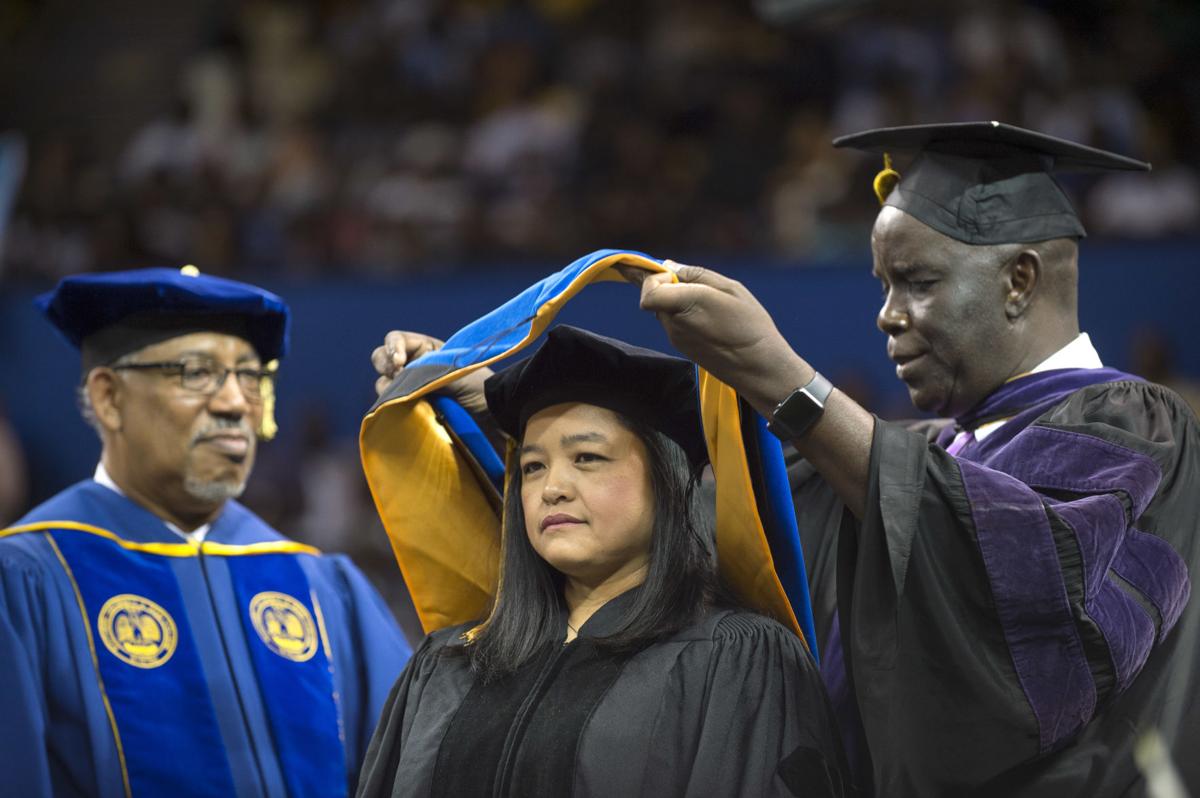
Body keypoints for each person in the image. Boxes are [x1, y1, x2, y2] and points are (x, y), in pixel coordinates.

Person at [624, 122, 1200, 796]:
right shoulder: (935, 450)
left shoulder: (1129, 429)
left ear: (1019, 279)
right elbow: (738, 519)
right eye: (883, 285)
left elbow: (1017, 587)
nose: (887, 316)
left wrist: (781, 378)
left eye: (917, 281)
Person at [357, 325, 847, 797]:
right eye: (532, 467)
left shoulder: (732, 658)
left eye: (587, 458)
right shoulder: (449, 664)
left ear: (666, 481)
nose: (552, 488)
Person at [0, 267, 411, 797]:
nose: (236, 403)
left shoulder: (320, 586)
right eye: (196, 373)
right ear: (109, 398)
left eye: (251, 377)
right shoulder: (28, 579)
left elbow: (420, 767)